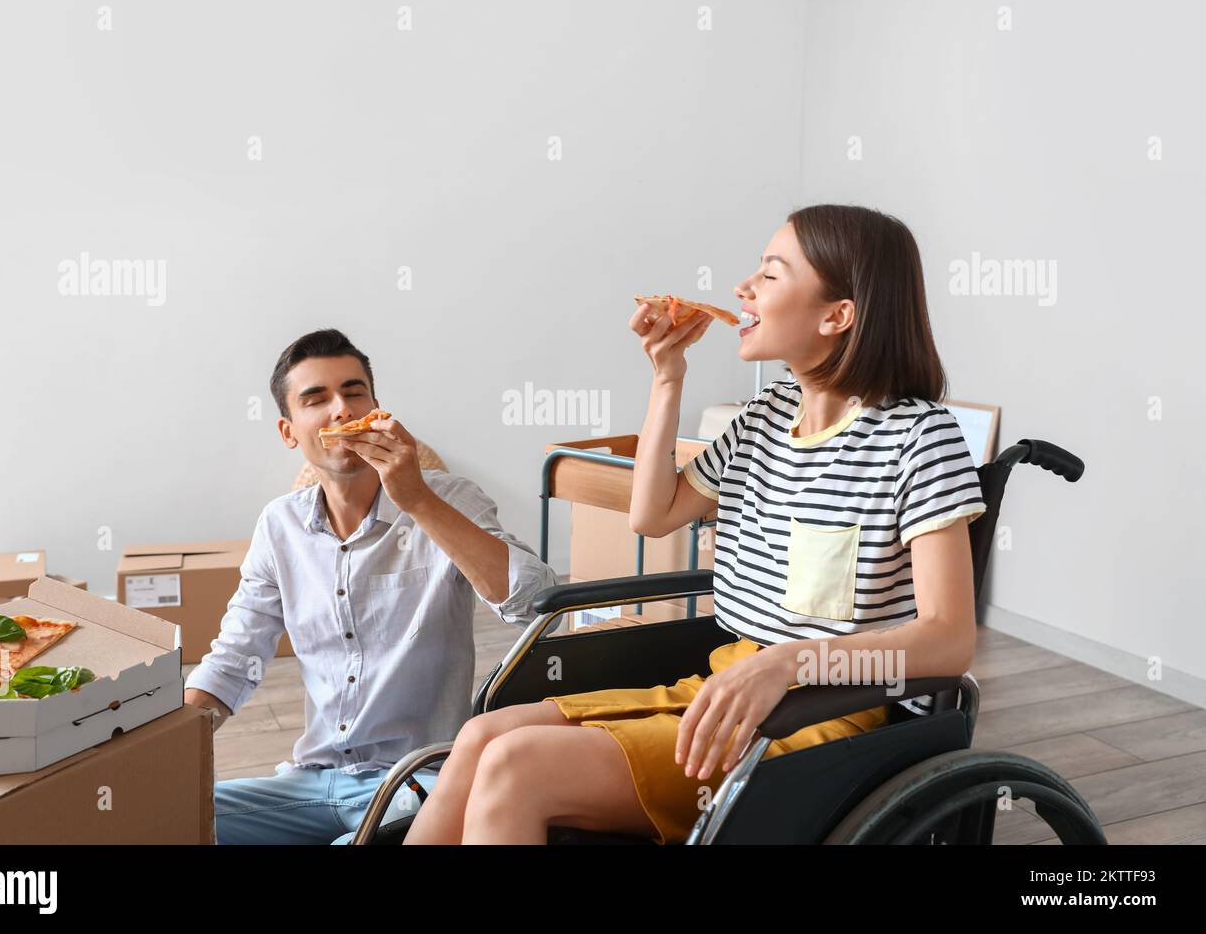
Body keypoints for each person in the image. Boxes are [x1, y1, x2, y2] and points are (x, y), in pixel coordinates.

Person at [402, 204, 987, 844]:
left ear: (836, 315)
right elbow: (654, 514)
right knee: (482, 734)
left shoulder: (917, 438)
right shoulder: (766, 415)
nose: (743, 289)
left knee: (515, 767)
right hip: (726, 684)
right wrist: (666, 378)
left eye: (771, 274)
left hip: (829, 719)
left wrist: (791, 665)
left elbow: (949, 640)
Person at [183, 328, 556, 844]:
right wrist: (159, 749)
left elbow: (535, 604)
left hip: (415, 783)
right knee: (163, 818)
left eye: (354, 392)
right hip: (308, 782)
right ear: (289, 431)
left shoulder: (447, 498)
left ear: (377, 407)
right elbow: (234, 656)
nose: (341, 409)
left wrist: (417, 500)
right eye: (317, 399)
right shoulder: (279, 525)